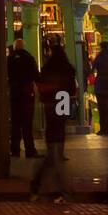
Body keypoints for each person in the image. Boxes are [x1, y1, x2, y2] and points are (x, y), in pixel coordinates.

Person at [31, 42, 77, 204]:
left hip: (52, 103)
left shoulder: (49, 67)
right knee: (58, 135)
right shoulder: (67, 68)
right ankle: (59, 151)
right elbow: (72, 87)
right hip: (63, 100)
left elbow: (42, 84)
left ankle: (39, 185)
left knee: (53, 143)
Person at [7, 36, 39, 158]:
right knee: (27, 123)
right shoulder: (29, 58)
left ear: (14, 47)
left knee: (15, 123)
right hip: (27, 93)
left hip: (14, 94)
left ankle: (15, 150)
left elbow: (6, 74)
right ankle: (29, 149)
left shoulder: (9, 59)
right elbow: (36, 75)